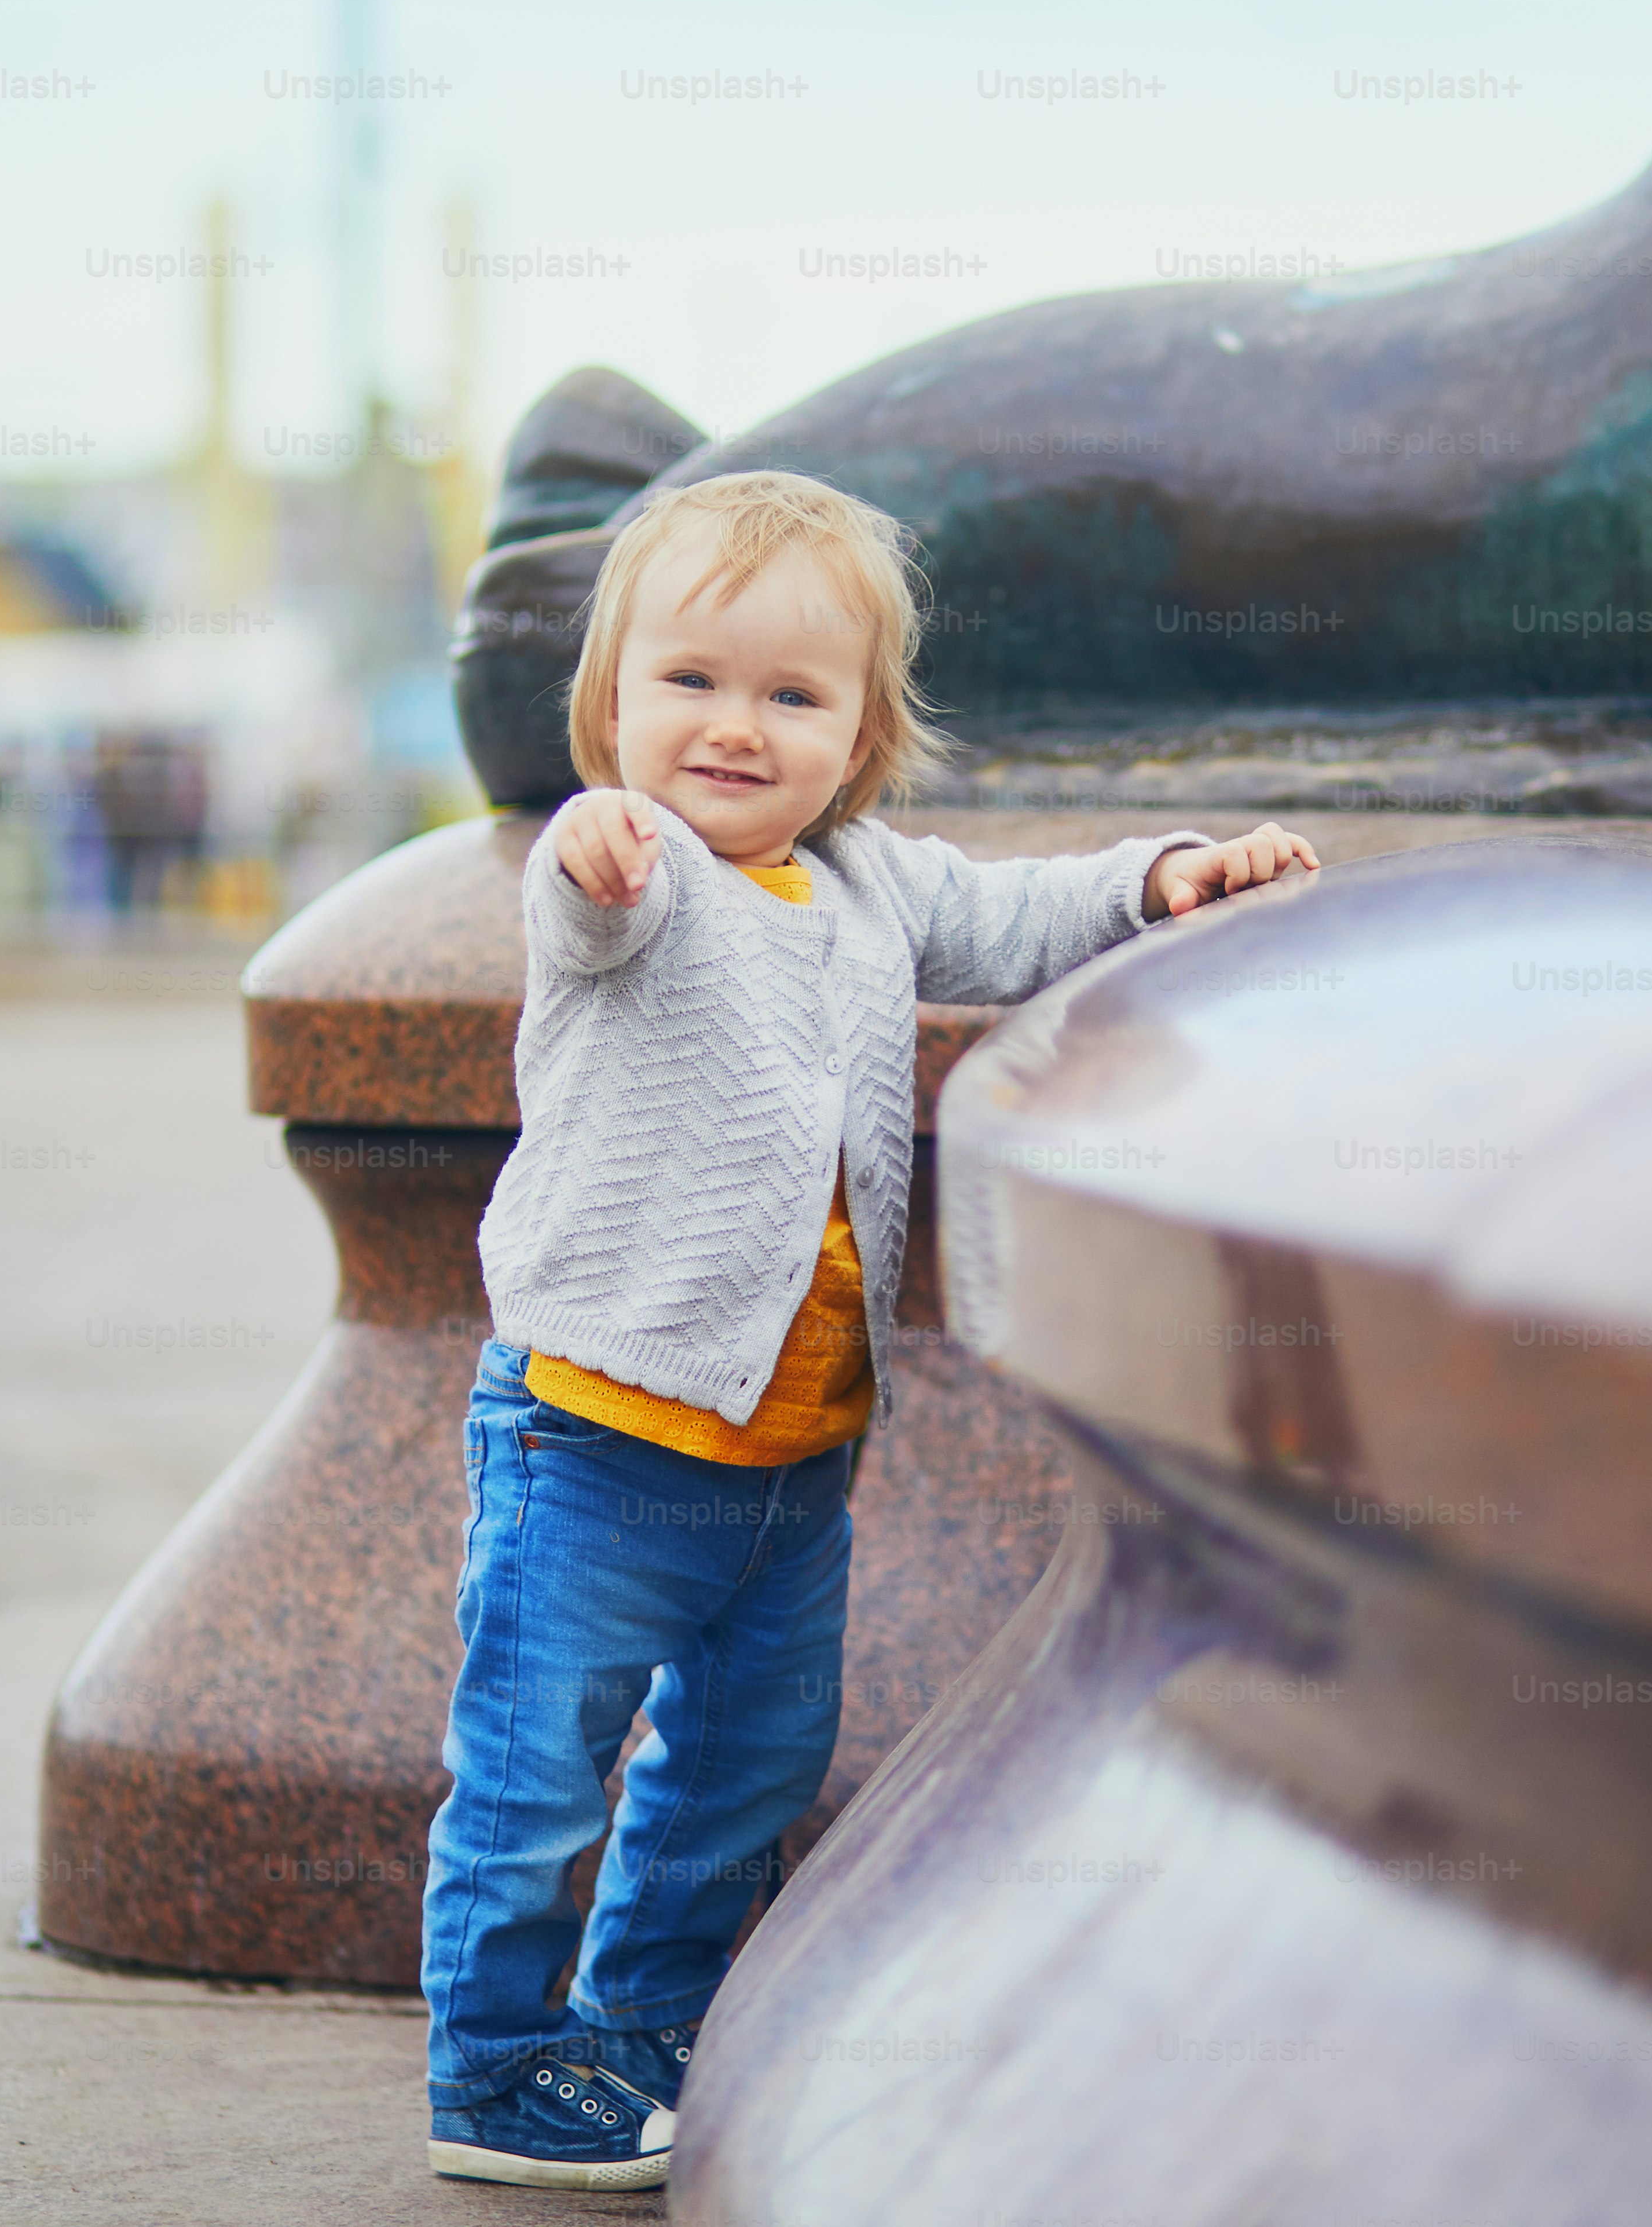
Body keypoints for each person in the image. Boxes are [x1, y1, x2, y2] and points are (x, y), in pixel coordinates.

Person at [422, 470, 1316, 2190]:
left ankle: (643, 2029)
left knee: (739, 1774)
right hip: (597, 1432)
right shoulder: (638, 872)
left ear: (860, 735)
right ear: (609, 706)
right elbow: (582, 902)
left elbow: (1028, 914)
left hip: (792, 1460)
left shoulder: (871, 887)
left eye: (790, 694)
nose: (732, 727)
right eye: (686, 682)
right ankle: (492, 2066)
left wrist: (1175, 875)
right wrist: (592, 850)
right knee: (537, 1776)